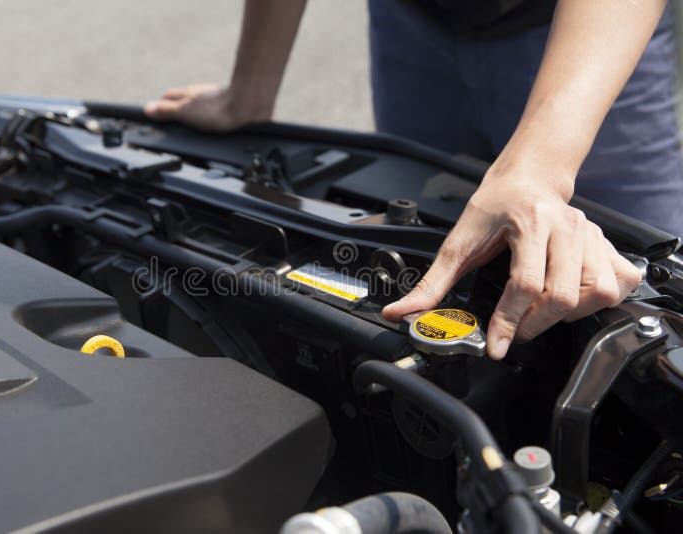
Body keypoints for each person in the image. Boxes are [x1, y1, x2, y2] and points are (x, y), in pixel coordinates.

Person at [144, 1, 681, 360]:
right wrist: (251, 90)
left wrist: (538, 167)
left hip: (582, 34)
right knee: (428, 238)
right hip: (411, 28)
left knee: (645, 302)